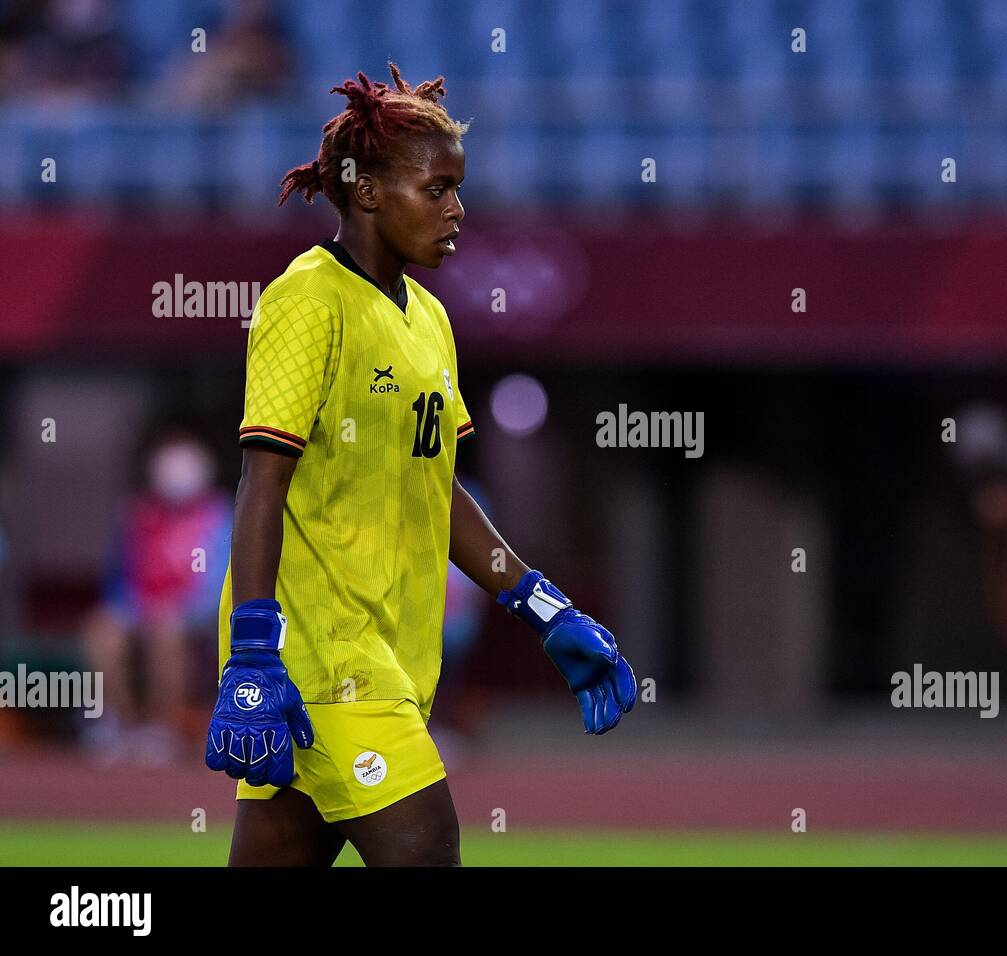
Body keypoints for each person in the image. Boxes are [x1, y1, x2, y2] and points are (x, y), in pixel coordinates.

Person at [203, 64, 636, 867]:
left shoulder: (430, 318)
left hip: (392, 658)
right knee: (427, 847)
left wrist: (544, 606)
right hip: (323, 661)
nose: (457, 208)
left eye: (458, 188)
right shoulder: (307, 301)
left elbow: (438, 491)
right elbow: (261, 483)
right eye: (436, 188)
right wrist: (253, 657)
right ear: (368, 193)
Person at [83, 432, 232, 762]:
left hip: (194, 616)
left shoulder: (218, 516)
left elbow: (218, 583)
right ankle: (119, 723)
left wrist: (180, 609)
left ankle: (162, 727)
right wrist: (135, 609)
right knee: (103, 630)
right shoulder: (139, 513)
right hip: (142, 608)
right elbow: (121, 578)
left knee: (165, 629)